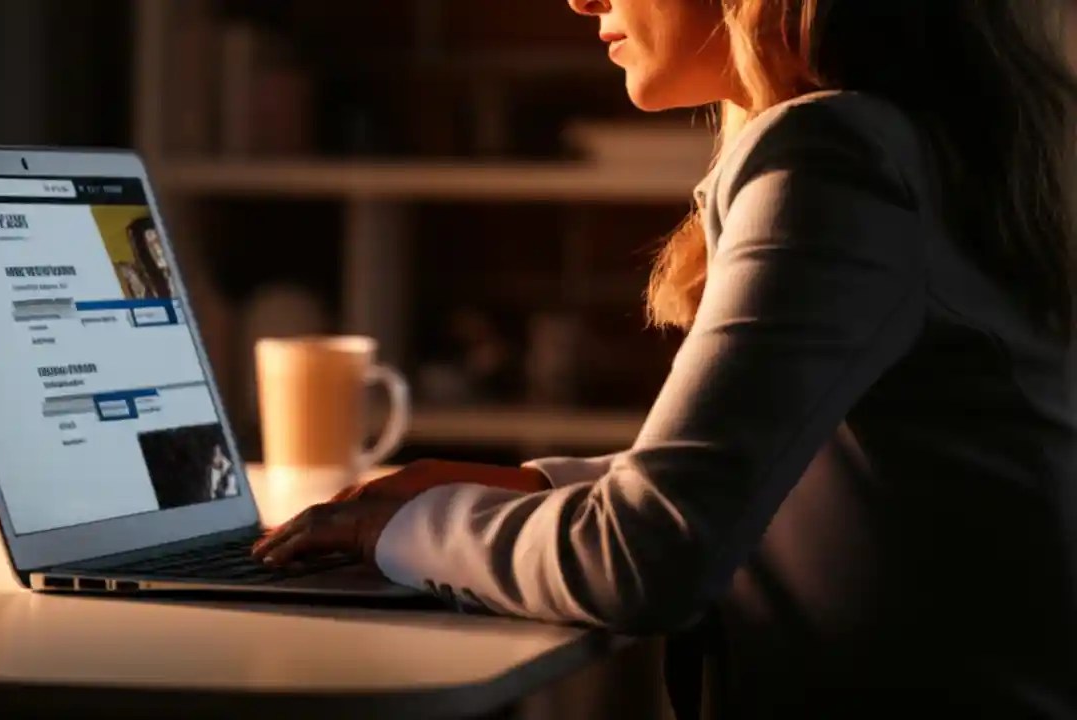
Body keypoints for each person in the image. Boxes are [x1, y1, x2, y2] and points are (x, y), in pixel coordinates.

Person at [254, 1, 1077, 715]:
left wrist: (399, 530)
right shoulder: (931, 146)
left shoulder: (836, 152)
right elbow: (803, 460)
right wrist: (537, 485)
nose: (580, 1)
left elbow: (644, 558)